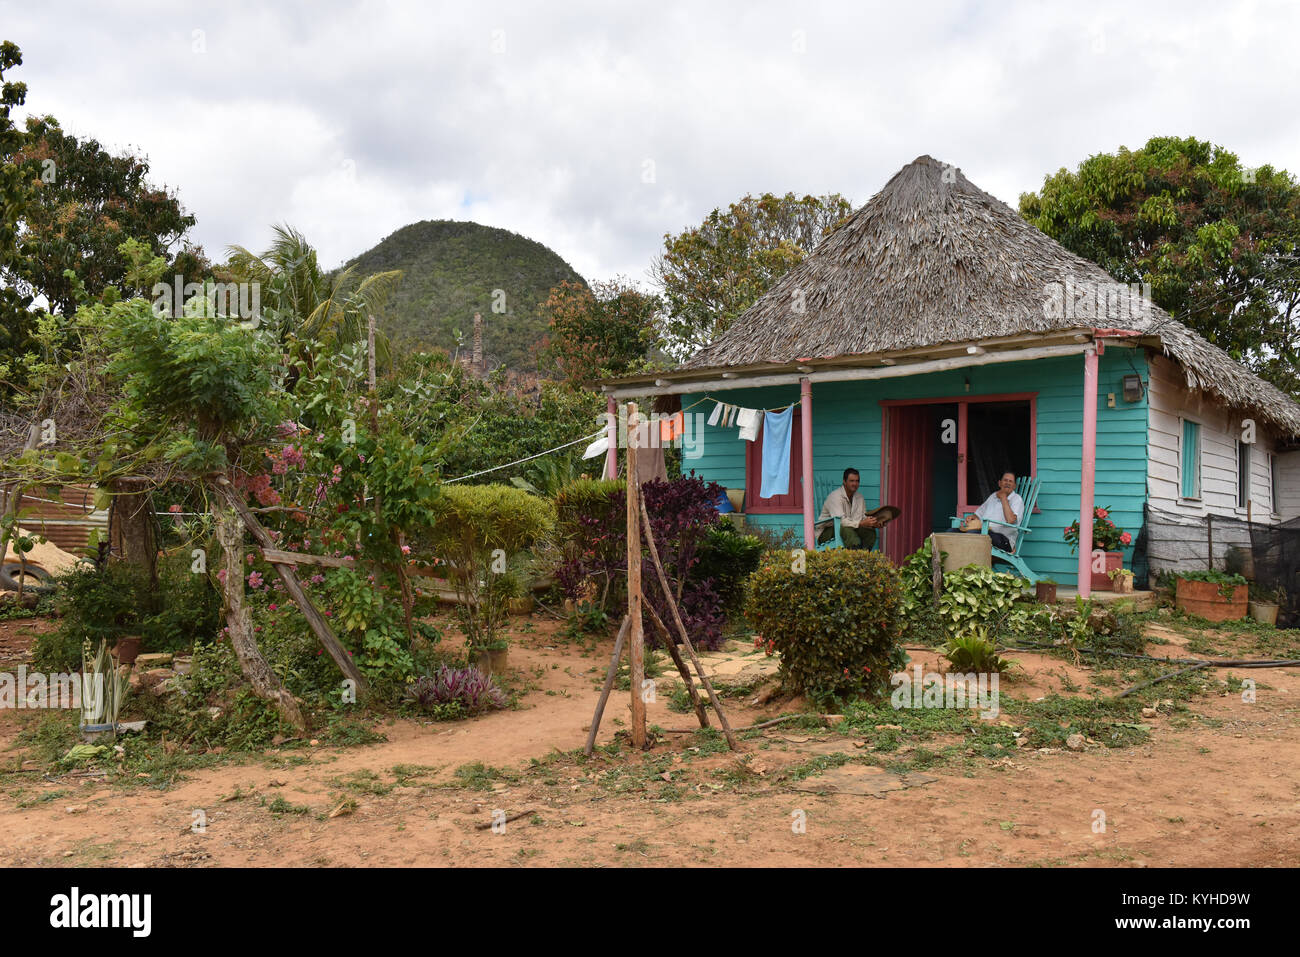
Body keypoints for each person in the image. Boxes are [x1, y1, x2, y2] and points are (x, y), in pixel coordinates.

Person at [817, 468, 882, 550]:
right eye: (851, 481)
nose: (855, 483)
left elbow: (863, 518)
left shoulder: (859, 497)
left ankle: (864, 557)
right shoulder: (835, 497)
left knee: (870, 533)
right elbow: (841, 521)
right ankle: (854, 559)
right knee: (848, 531)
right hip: (827, 532)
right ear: (844, 481)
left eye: (857, 481)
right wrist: (861, 523)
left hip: (849, 528)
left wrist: (873, 523)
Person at [963, 471, 1024, 552]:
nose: (1008, 483)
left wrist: (1003, 498)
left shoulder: (1017, 499)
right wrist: (971, 517)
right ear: (1000, 483)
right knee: (953, 532)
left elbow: (1011, 520)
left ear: (1014, 486)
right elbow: (978, 514)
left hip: (1003, 539)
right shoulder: (993, 496)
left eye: (1010, 481)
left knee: (971, 535)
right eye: (1005, 480)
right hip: (984, 533)